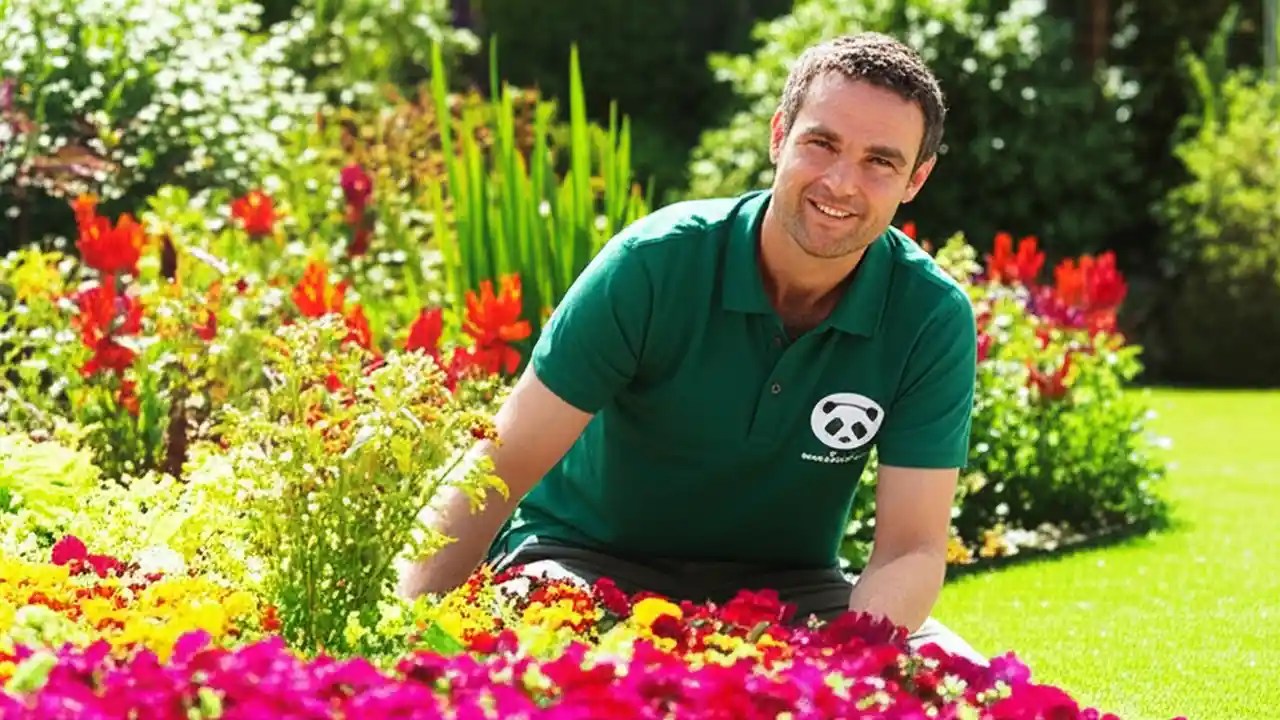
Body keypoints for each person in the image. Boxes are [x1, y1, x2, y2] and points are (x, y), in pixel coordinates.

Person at [399, 32, 985, 665]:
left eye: (880, 161)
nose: (842, 182)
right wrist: (405, 633)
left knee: (965, 684)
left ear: (915, 179)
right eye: (822, 143)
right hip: (580, 567)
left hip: (790, 593)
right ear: (778, 136)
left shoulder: (929, 316)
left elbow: (910, 549)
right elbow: (500, 467)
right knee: (556, 674)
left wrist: (842, 670)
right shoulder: (653, 265)